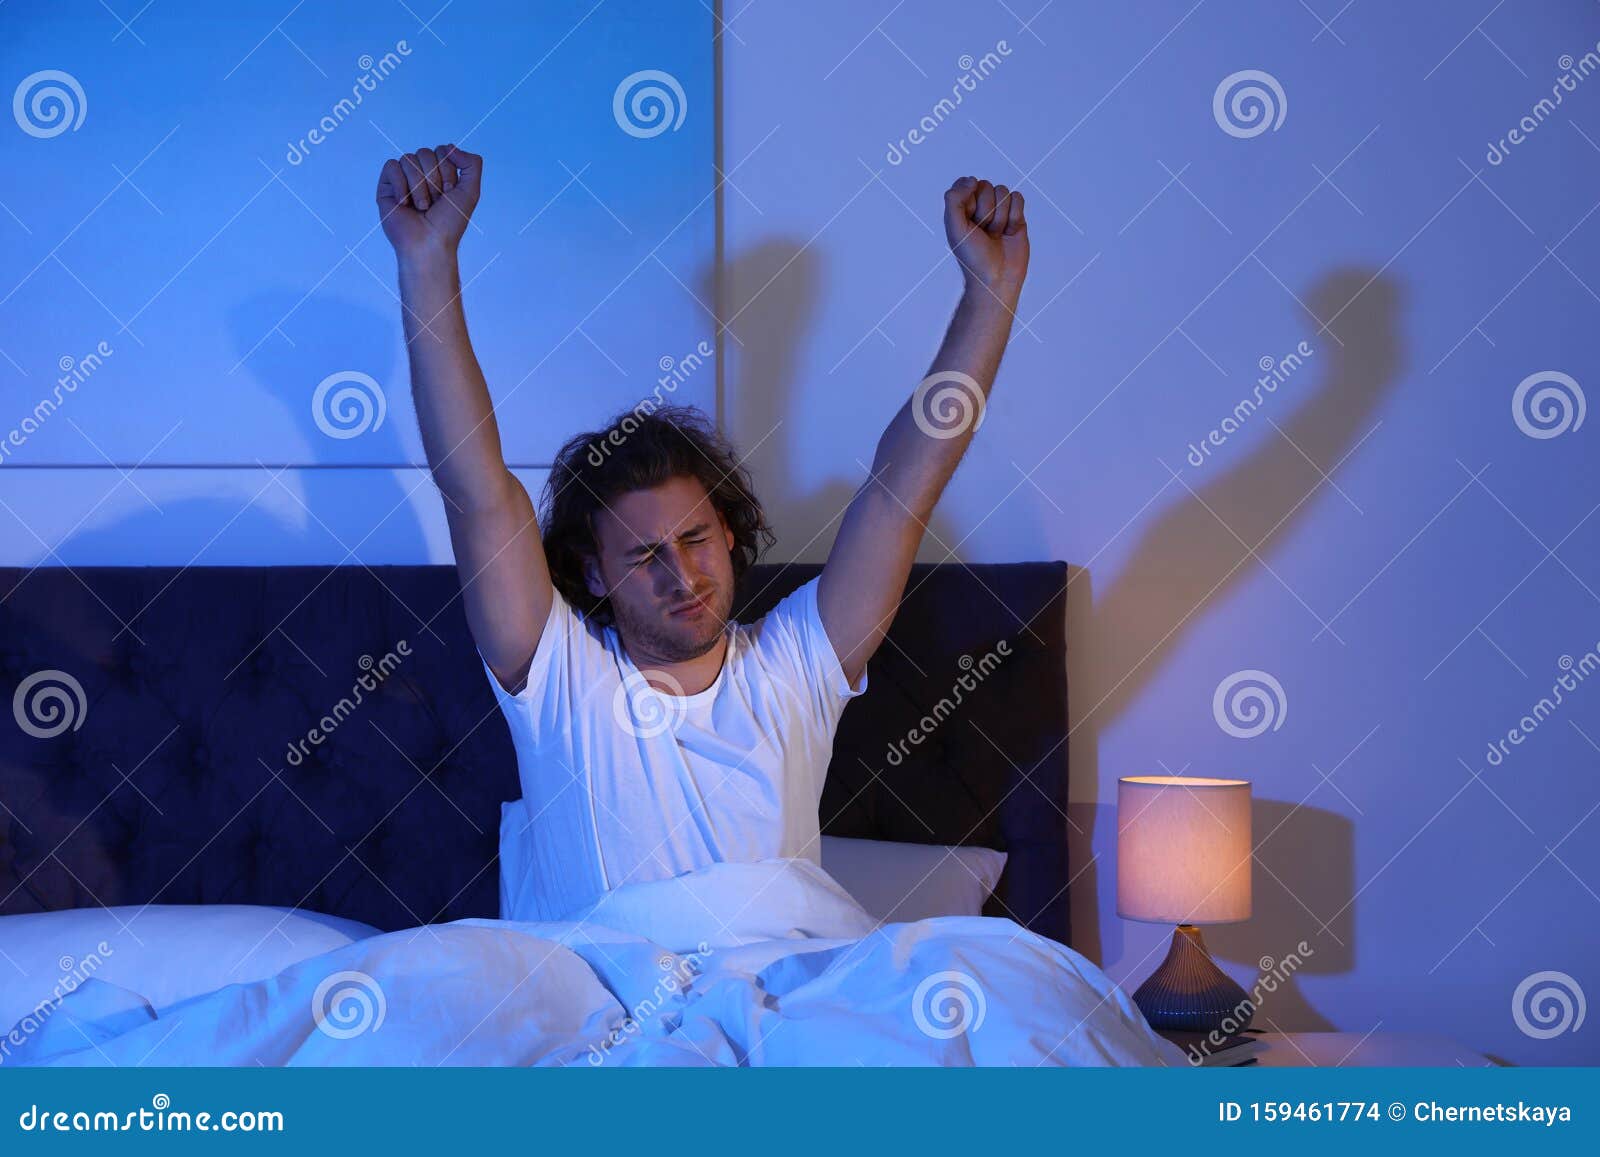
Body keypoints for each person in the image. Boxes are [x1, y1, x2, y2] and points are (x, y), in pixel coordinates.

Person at [376, 144, 1029, 920]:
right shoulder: (561, 682)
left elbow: (900, 494)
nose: (681, 576)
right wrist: (427, 263)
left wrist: (991, 294)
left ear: (729, 532)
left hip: (785, 1001)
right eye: (645, 554)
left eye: (694, 539)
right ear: (593, 573)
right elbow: (476, 490)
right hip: (605, 1014)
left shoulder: (794, 665)